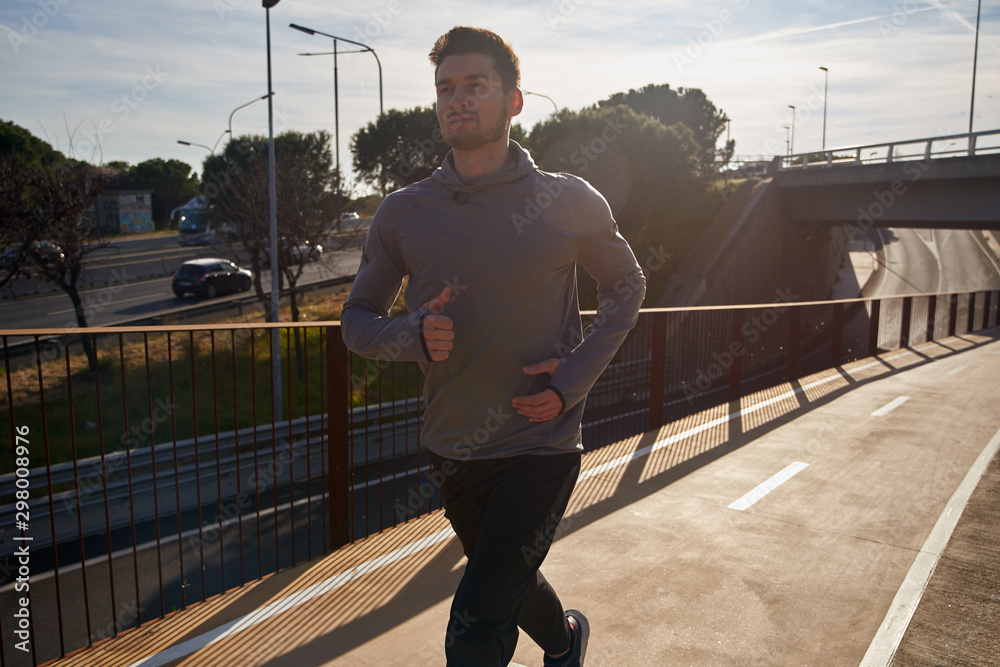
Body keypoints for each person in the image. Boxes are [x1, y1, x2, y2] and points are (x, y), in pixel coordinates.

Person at [340, 26, 645, 667]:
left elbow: (626, 285)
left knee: (475, 627)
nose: (457, 99)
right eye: (445, 88)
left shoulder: (566, 199)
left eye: (476, 86)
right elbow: (358, 322)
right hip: (452, 446)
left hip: (540, 443)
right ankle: (565, 642)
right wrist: (411, 335)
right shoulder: (403, 212)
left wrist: (572, 378)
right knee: (504, 577)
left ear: (513, 101)